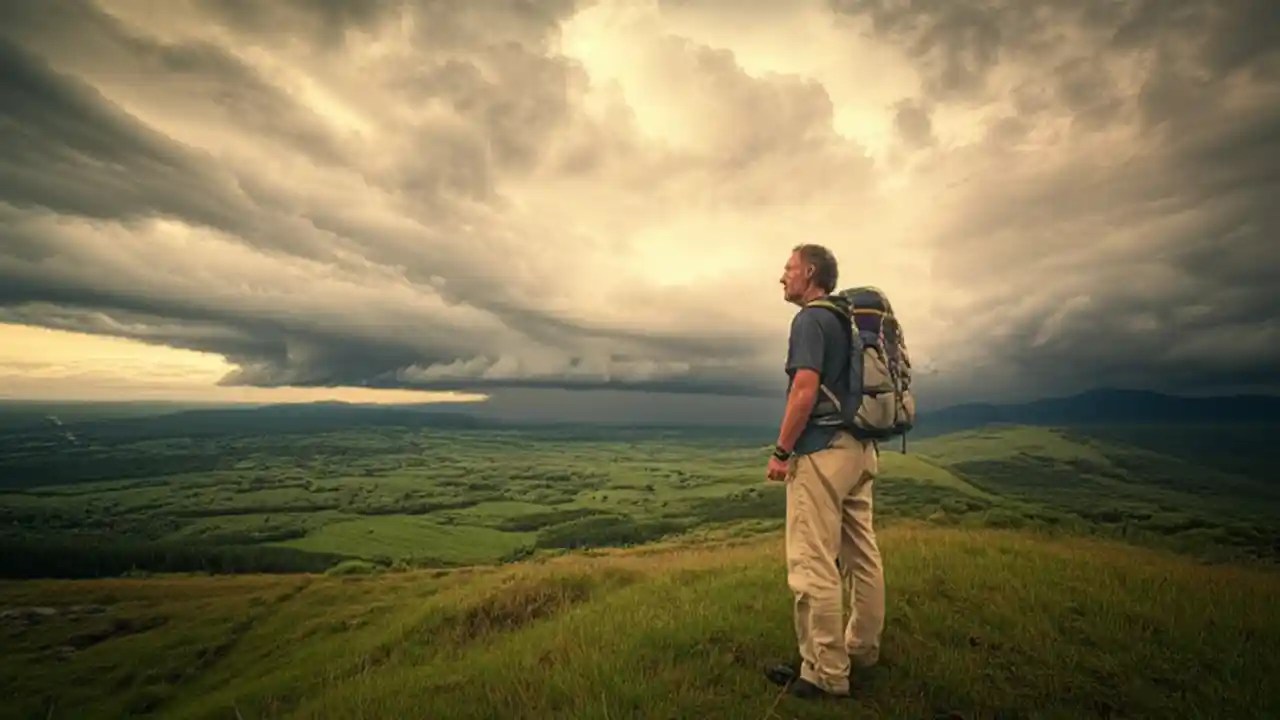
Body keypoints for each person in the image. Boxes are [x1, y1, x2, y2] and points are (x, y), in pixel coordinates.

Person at [763, 243, 885, 700]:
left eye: (788, 268)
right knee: (862, 554)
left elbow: (804, 390)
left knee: (814, 563)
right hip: (861, 450)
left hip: (822, 452)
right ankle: (863, 648)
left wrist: (781, 450)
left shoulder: (810, 319)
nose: (782, 276)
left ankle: (825, 673)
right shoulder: (848, 321)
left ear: (809, 273)